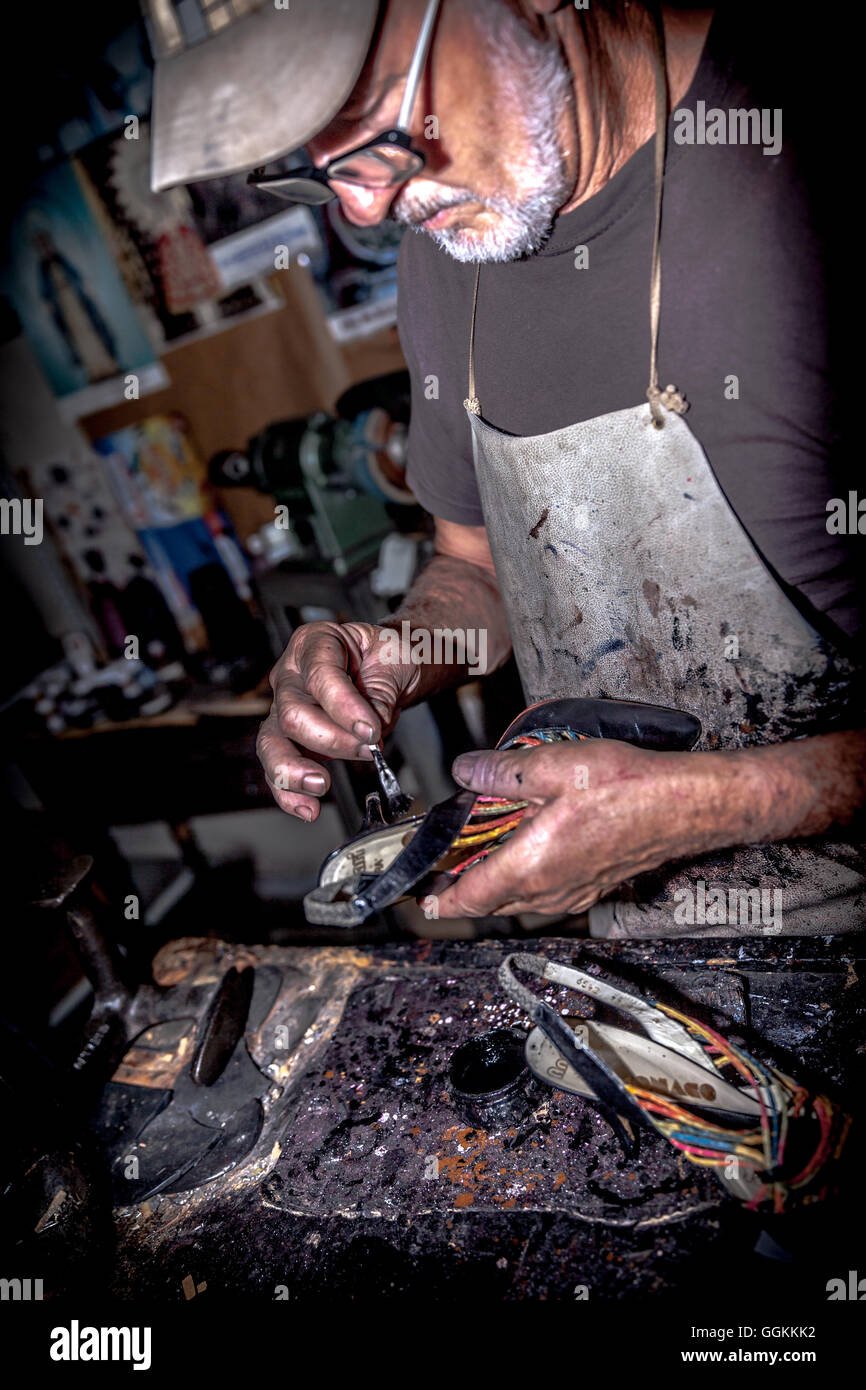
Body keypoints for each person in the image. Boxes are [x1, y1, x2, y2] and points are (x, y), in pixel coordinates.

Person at [151, 0, 864, 934]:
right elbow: (481, 570)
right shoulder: (447, 245)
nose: (364, 204)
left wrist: (708, 807)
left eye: (373, 113)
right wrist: (398, 657)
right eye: (313, 171)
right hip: (639, 963)